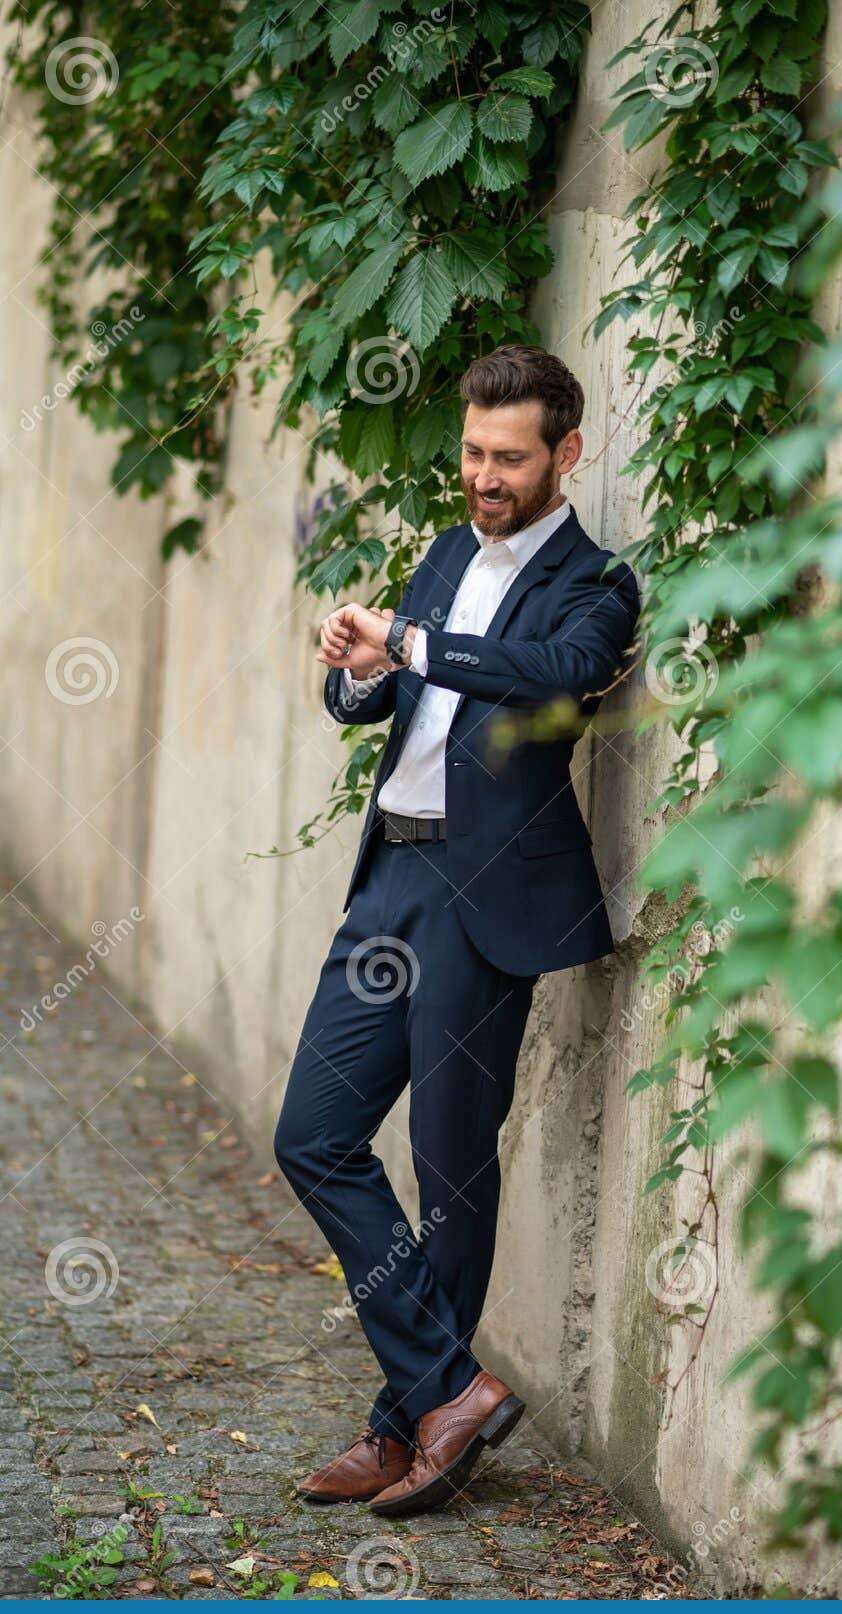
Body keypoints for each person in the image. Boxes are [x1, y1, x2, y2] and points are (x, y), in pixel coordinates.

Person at [274, 343, 641, 1517]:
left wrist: (413, 642)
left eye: (510, 458)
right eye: (475, 453)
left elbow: (554, 672)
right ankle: (449, 1390)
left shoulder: (596, 584)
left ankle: (403, 1429)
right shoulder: (442, 554)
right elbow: (384, 695)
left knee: (449, 1167)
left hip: (483, 900)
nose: (485, 476)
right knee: (314, 1133)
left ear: (566, 453)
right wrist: (355, 669)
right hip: (390, 878)